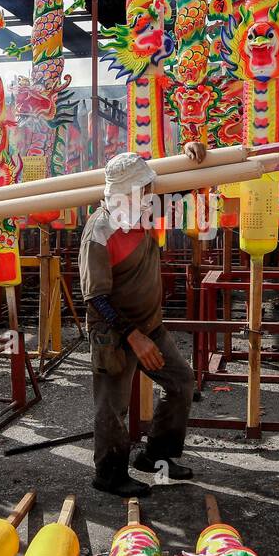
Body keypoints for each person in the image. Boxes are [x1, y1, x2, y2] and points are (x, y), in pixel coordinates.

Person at [80, 145, 205, 498]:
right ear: (126, 193)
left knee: (181, 382)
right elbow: (96, 297)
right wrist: (134, 336)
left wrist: (191, 153)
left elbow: (180, 190)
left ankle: (156, 456)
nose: (152, 194)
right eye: (145, 189)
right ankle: (109, 473)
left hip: (149, 325)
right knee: (113, 407)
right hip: (115, 332)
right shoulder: (100, 231)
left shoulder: (141, 214)